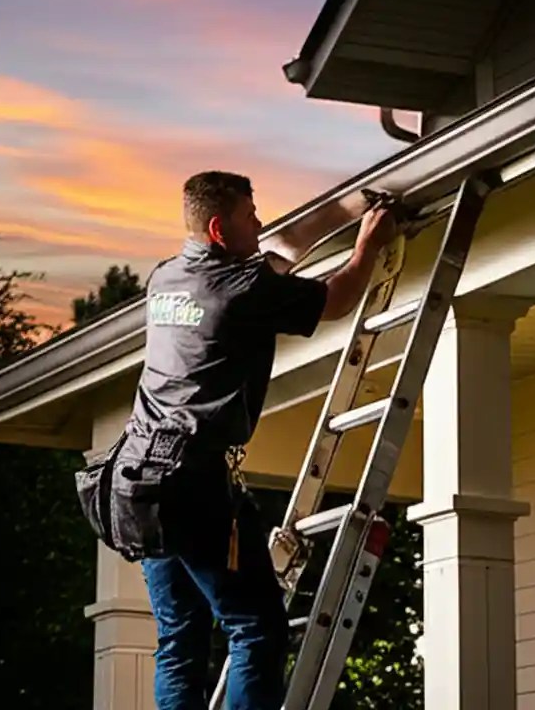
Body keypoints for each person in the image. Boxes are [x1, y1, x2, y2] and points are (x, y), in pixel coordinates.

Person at [112, 171, 399, 710]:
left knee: (180, 638)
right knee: (257, 627)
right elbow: (335, 299)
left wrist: (334, 213)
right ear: (220, 229)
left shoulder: (165, 279)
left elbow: (269, 263)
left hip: (138, 483)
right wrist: (368, 242)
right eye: (250, 215)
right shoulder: (243, 290)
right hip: (193, 483)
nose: (261, 223)